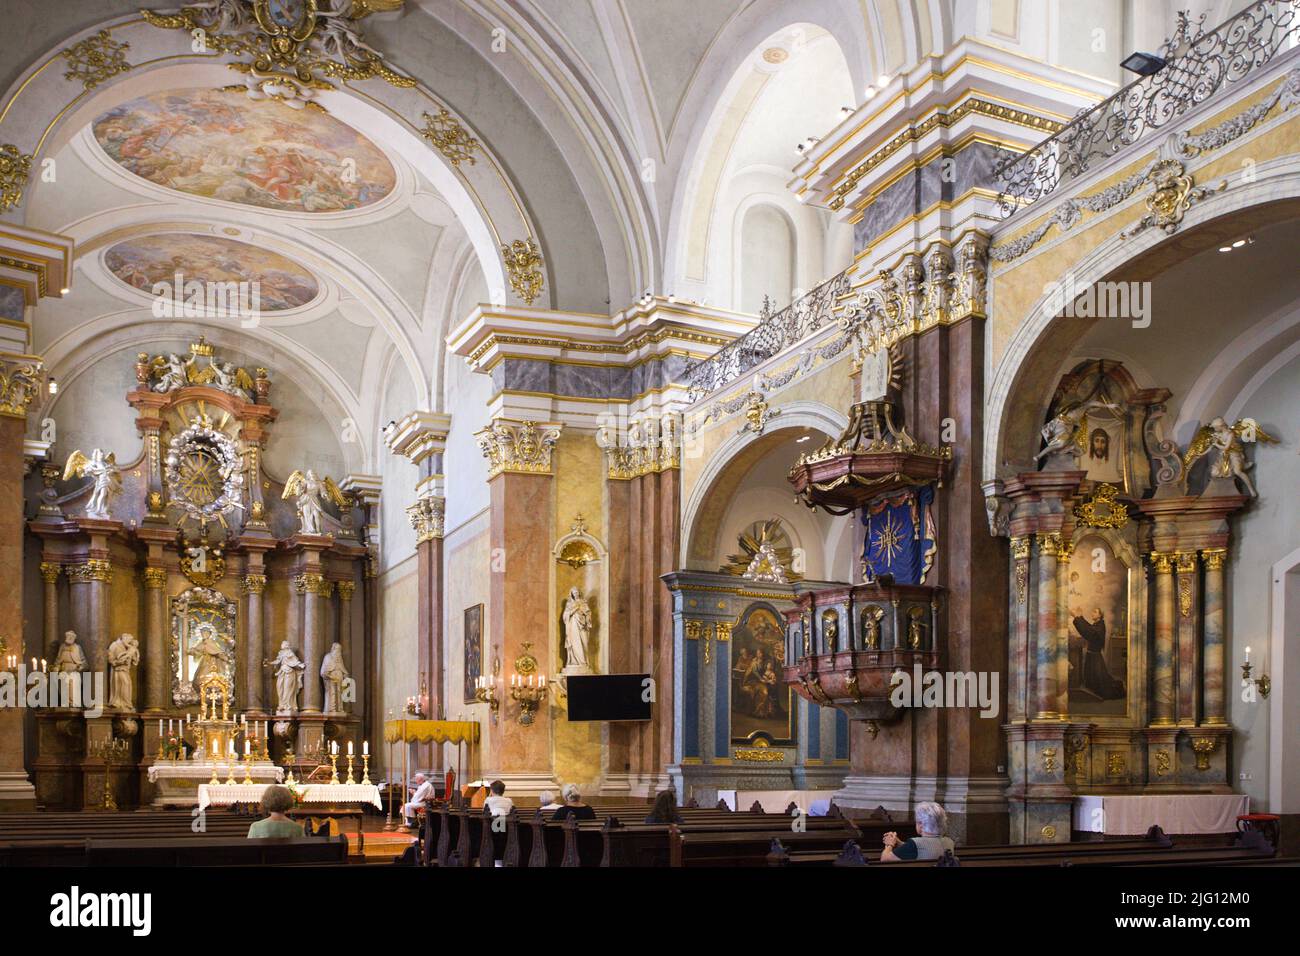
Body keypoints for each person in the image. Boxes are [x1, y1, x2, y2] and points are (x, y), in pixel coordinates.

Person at [880, 801, 954, 862]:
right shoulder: (949, 841)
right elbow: (922, 849)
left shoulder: (914, 844)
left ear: (921, 825)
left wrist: (890, 844)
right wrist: (899, 842)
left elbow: (884, 859)